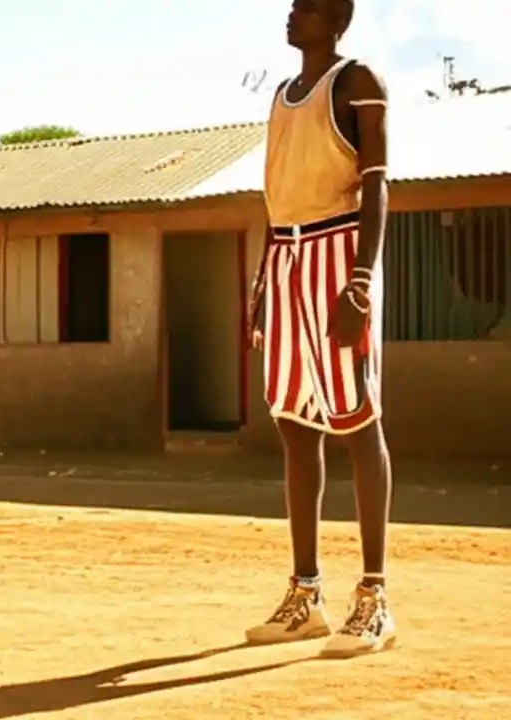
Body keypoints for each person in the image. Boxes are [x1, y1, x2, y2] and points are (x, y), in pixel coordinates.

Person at [244, 0, 396, 658]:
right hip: (285, 256)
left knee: (356, 419)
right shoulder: (281, 95)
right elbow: (276, 194)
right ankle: (306, 594)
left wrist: (360, 282)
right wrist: (261, 281)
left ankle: (375, 599)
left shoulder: (358, 81)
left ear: (336, 17)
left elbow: (376, 186)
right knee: (292, 422)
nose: (291, 14)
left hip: (338, 254)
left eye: (305, 7)